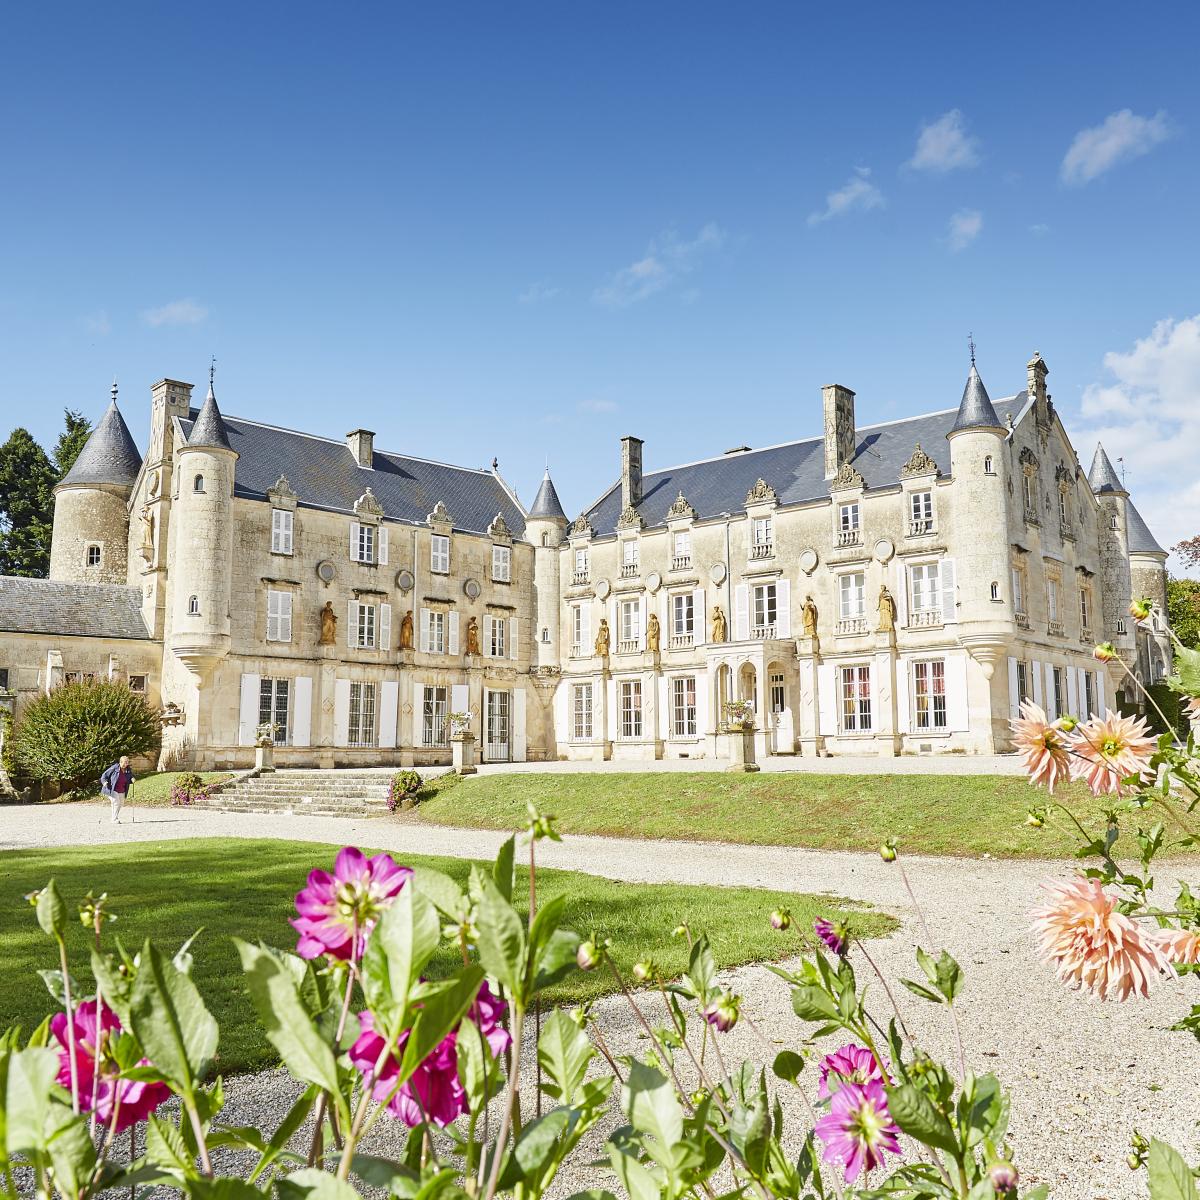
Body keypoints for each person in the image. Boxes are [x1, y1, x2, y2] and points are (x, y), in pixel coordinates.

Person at [100, 756, 134, 824]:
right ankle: (114, 819)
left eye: (127, 763)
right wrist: (104, 782)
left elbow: (129, 777)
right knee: (116, 802)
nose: (125, 764)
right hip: (111, 789)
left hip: (122, 789)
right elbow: (104, 776)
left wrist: (132, 779)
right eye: (124, 762)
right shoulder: (114, 768)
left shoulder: (128, 770)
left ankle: (115, 817)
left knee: (120, 803)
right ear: (120, 762)